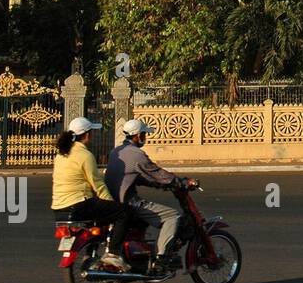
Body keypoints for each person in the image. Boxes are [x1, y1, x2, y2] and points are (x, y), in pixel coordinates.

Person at [105, 119, 195, 274]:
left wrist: (156, 184)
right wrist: (180, 182)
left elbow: (136, 177)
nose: (145, 137)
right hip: (129, 203)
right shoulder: (137, 154)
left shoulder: (116, 151)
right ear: (138, 136)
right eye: (144, 134)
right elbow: (157, 173)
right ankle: (161, 258)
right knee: (172, 216)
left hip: (112, 201)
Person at [50, 117, 127, 270]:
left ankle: (89, 254)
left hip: (59, 209)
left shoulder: (61, 154)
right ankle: (113, 253)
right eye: (90, 133)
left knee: (100, 217)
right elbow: (97, 183)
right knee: (123, 213)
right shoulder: (85, 155)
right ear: (86, 135)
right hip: (78, 205)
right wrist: (111, 202)